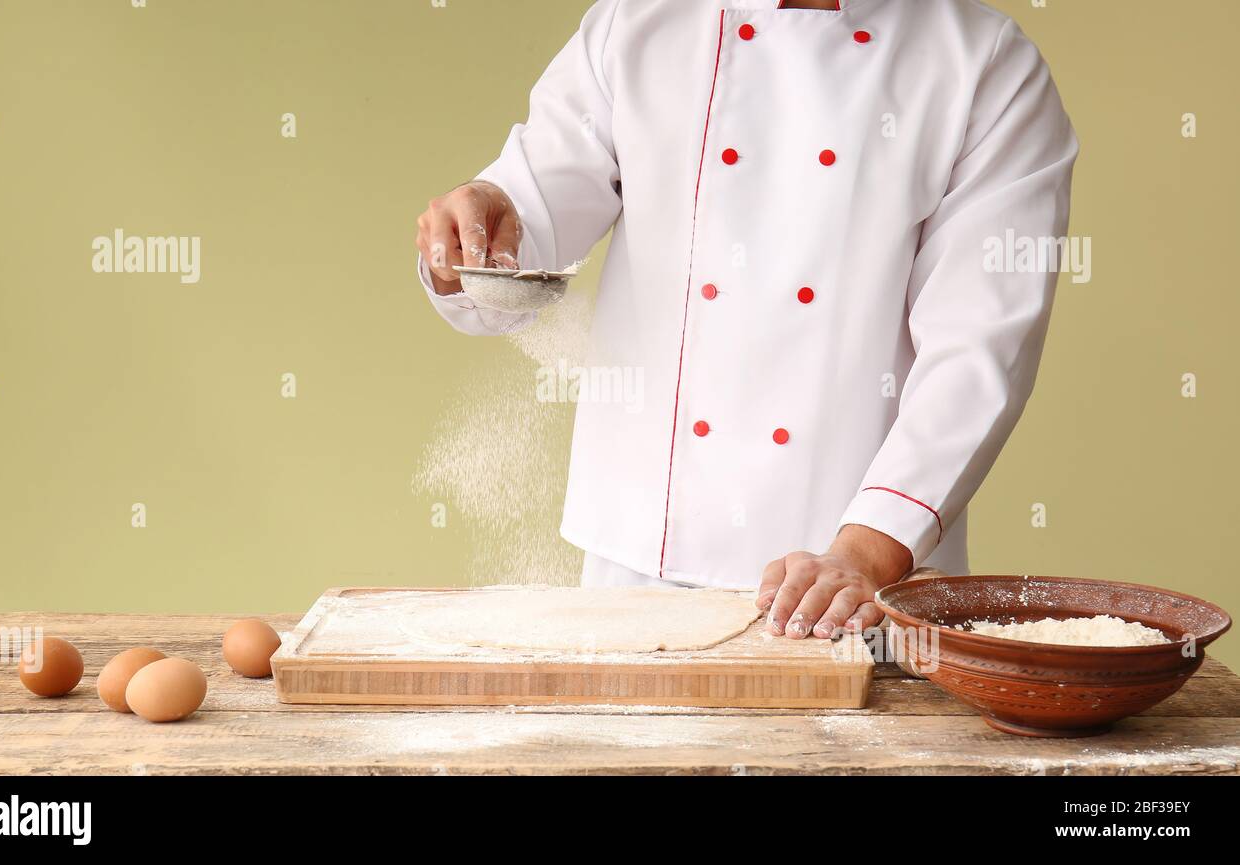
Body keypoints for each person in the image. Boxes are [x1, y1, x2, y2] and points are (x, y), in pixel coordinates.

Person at [413, 0, 1078, 641]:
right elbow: (526, 221)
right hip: (636, 575)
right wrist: (478, 234)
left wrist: (867, 550)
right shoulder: (639, 23)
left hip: (852, 586)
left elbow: (979, 351)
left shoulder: (986, 66)